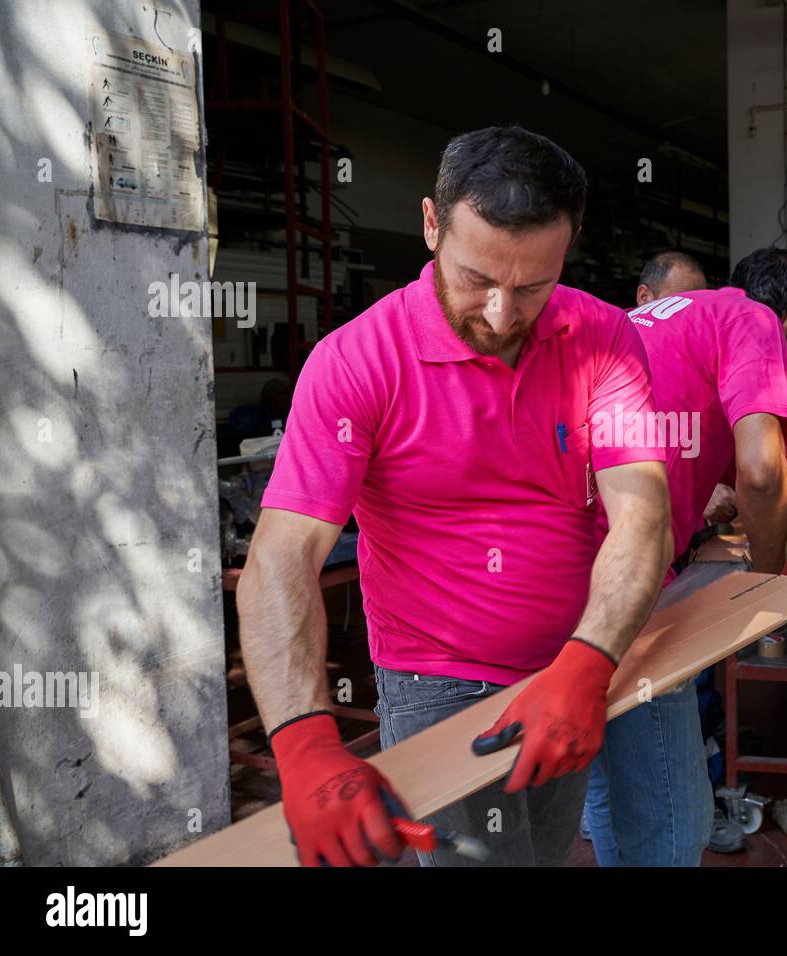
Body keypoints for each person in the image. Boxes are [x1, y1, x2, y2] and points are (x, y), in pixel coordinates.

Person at [237, 125, 673, 867]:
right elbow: (280, 556)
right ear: (432, 225)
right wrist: (305, 745)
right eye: (478, 279)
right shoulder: (355, 363)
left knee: (544, 853)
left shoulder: (603, 338)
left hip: (574, 666)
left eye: (532, 285)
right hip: (438, 679)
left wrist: (589, 659)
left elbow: (642, 515)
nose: (502, 314)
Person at [581, 247, 787, 866]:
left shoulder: (654, 318)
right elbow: (763, 473)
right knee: (675, 816)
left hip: (553, 564)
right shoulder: (756, 323)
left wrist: (694, 497)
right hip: (623, 579)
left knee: (604, 771)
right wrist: (765, 582)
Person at [635, 249, 707, 306]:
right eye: (677, 303)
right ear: (644, 297)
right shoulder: (624, 323)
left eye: (697, 306)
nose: (691, 314)